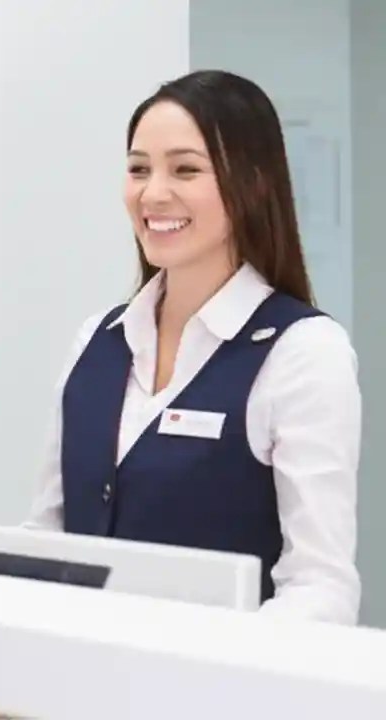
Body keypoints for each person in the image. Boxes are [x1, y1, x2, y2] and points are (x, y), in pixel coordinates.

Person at [24, 70, 361, 625]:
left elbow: (320, 586)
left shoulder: (303, 351)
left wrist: (219, 660)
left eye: (186, 169)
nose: (153, 193)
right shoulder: (97, 340)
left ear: (253, 183)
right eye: (139, 169)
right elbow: (47, 537)